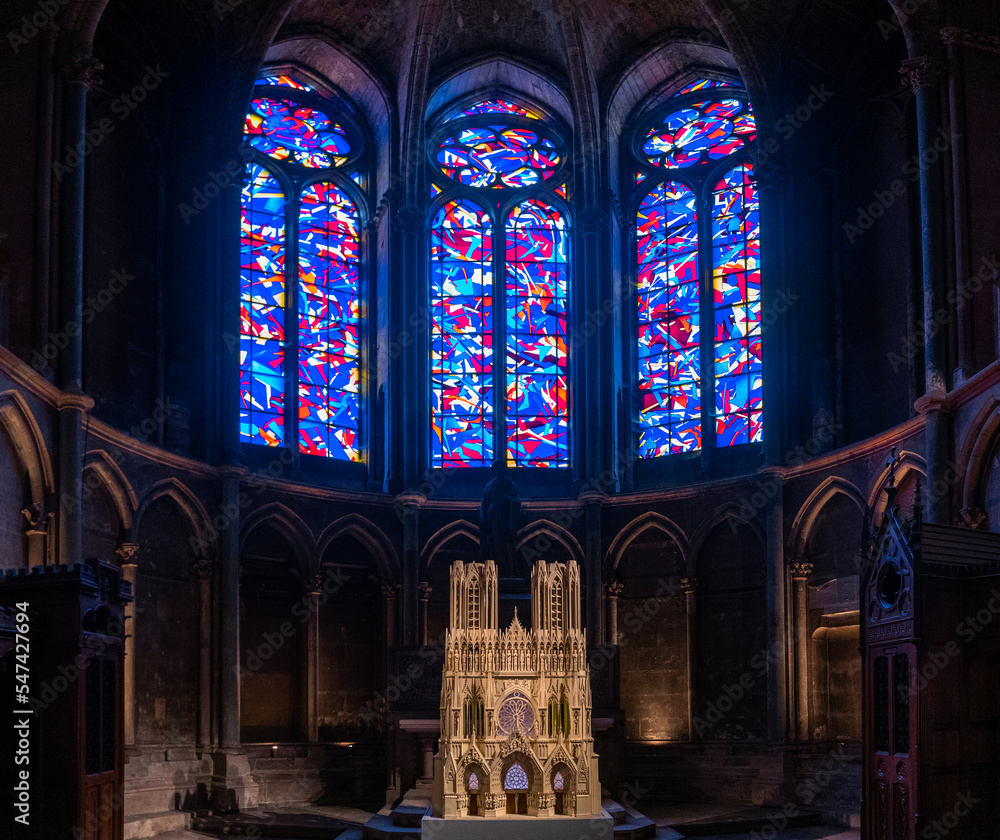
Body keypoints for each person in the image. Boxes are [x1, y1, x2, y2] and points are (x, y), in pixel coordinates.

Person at [479, 459, 521, 578]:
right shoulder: (489, 486)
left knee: (507, 544)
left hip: (507, 518)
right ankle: (497, 570)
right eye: (496, 469)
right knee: (494, 544)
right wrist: (483, 518)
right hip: (493, 517)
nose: (499, 471)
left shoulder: (512, 486)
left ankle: (508, 570)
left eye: (501, 468)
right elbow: (484, 504)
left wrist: (507, 499)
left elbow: (517, 502)